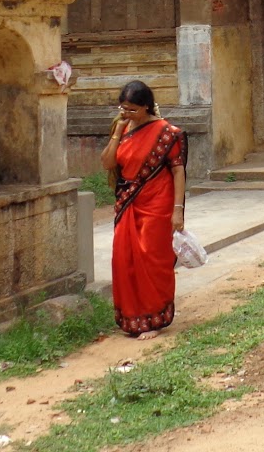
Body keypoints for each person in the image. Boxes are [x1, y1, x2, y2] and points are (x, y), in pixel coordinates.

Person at [101, 79, 188, 339]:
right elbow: (107, 163)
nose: (127, 114)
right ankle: (132, 317)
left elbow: (178, 171)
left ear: (147, 107)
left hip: (157, 202)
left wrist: (178, 209)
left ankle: (154, 317)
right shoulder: (122, 128)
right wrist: (118, 131)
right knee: (124, 258)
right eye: (123, 109)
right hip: (128, 201)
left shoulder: (167, 133)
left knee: (151, 256)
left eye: (132, 110)